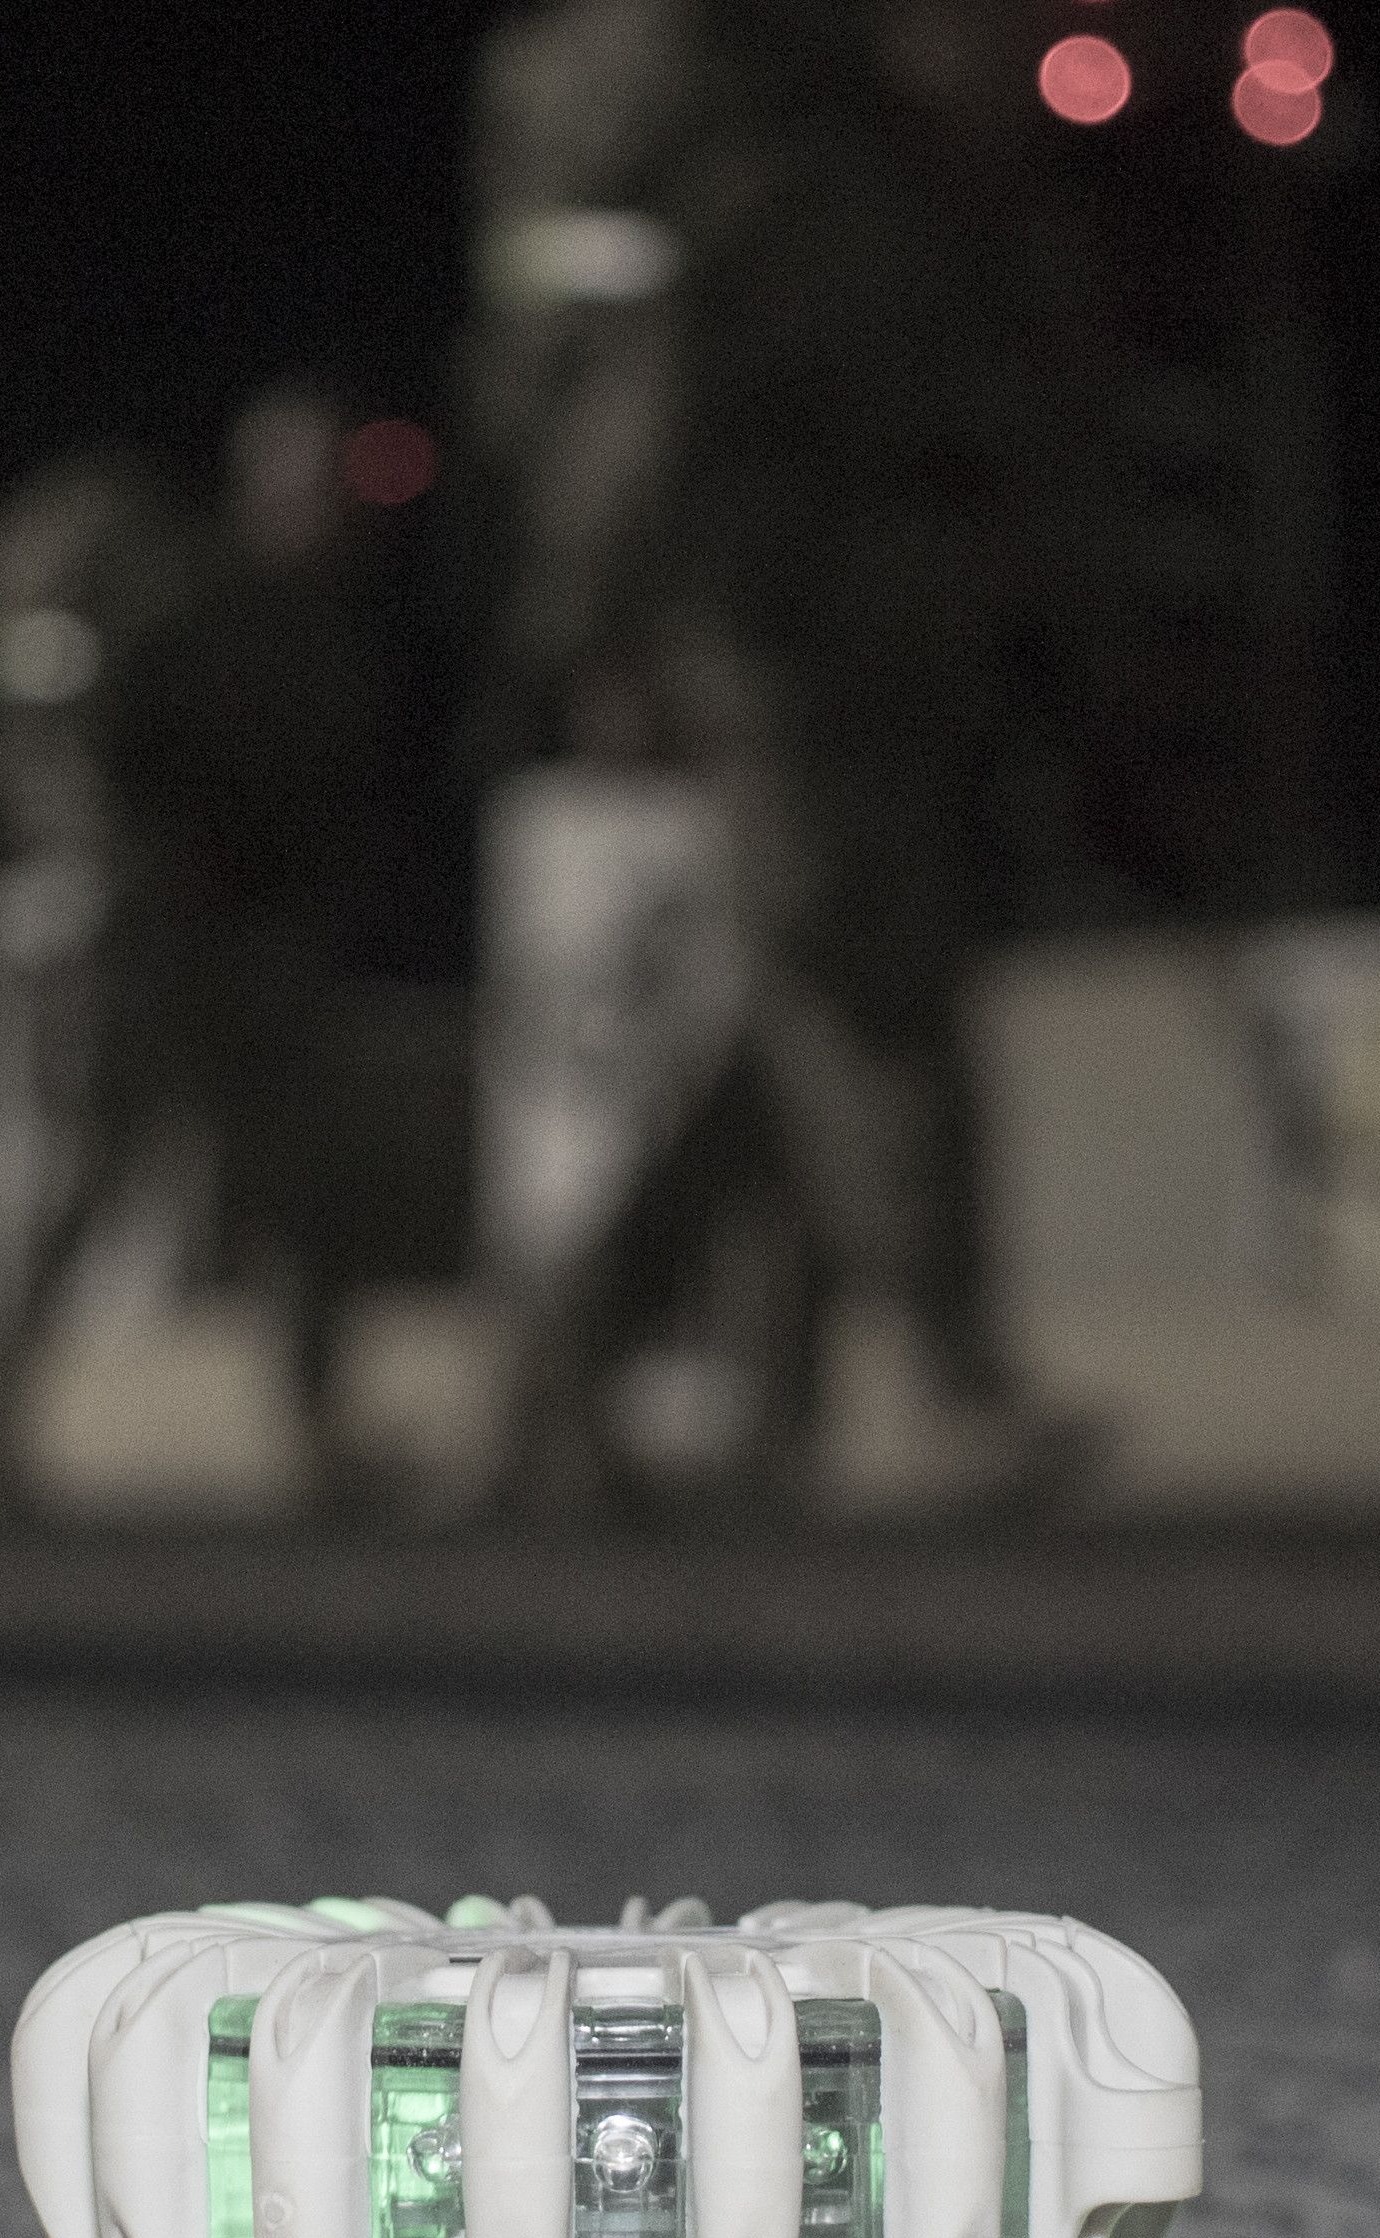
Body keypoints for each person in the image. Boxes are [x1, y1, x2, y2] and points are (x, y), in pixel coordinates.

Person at [459, 0, 1084, 1509]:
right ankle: (950, 1381)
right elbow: (623, 387)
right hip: (766, 629)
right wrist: (598, 616)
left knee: (789, 1002)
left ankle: (572, 1372)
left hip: (869, 638)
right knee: (855, 985)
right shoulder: (718, 130)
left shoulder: (868, 145)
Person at [0, 389, 395, 1508]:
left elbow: (322, 802)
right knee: (75, 1173)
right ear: (262, 483)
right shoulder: (177, 594)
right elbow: (71, 752)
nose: (337, 510)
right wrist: (118, 868)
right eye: (316, 481)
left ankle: (321, 1435)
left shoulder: (317, 626)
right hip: (139, 939)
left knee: (292, 1193)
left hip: (250, 947)